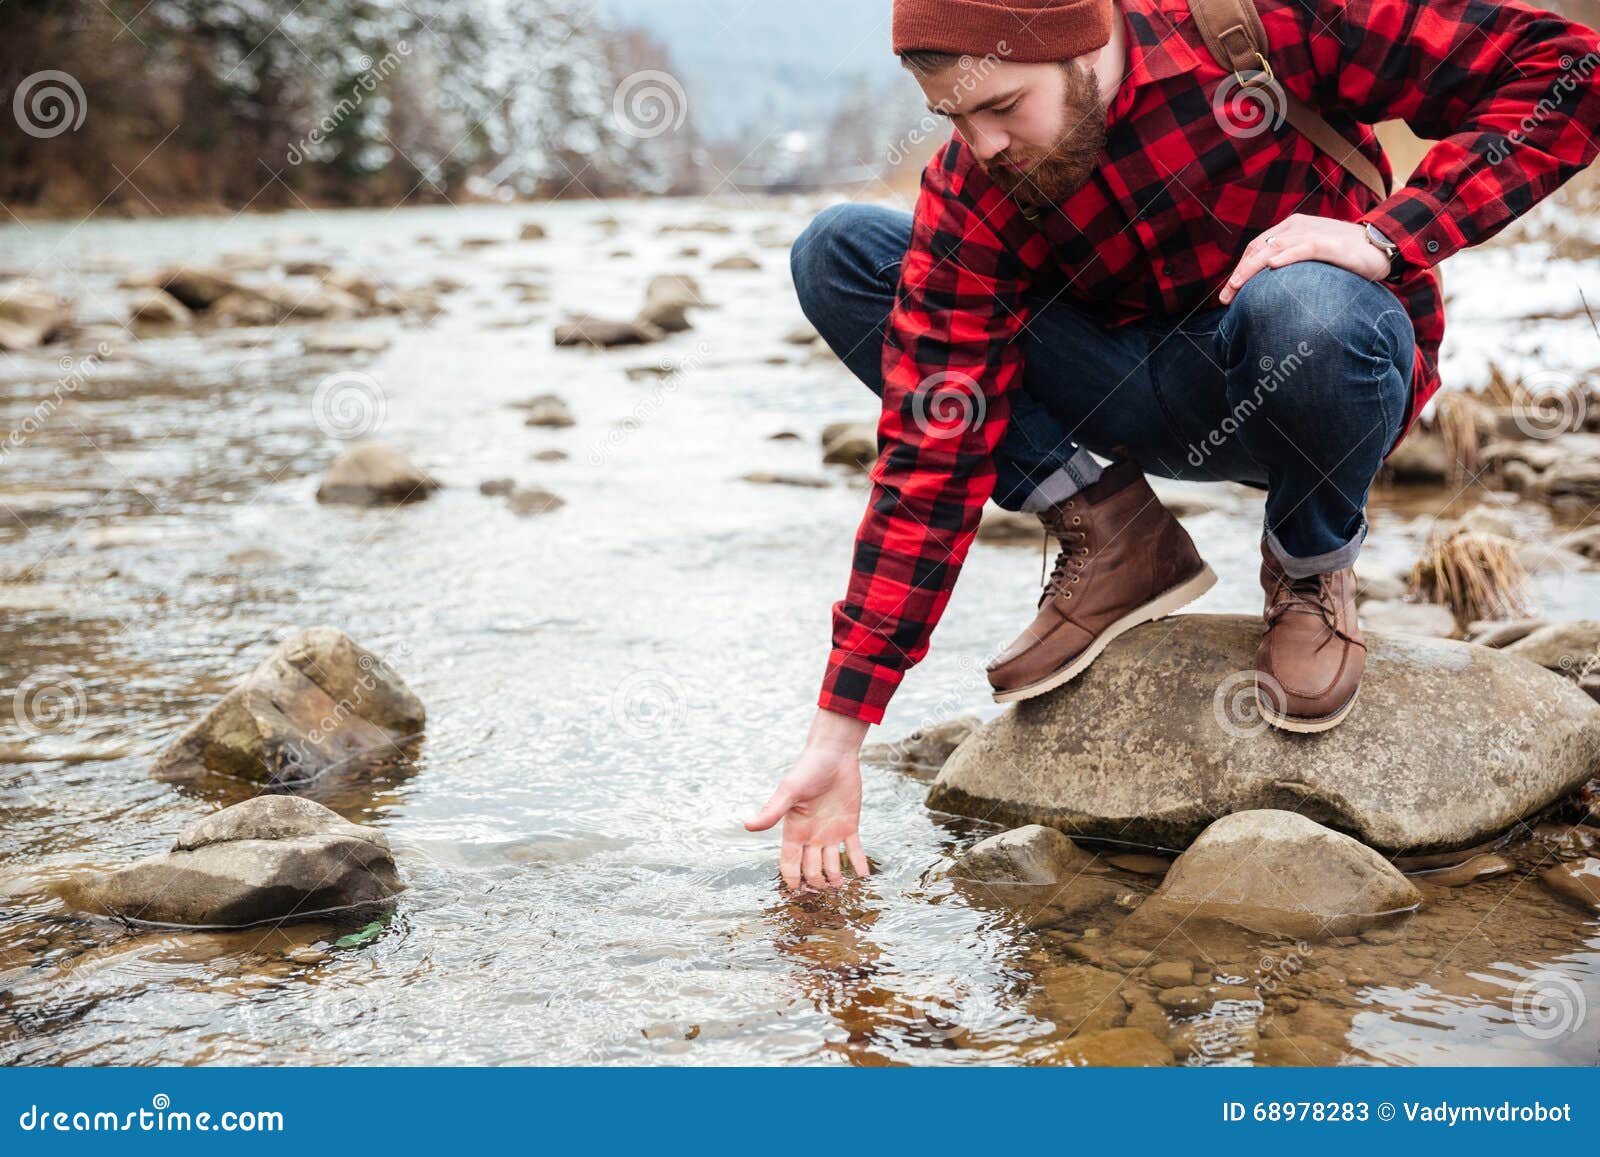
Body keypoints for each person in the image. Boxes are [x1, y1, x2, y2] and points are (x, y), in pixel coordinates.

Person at [747, 0, 1600, 891]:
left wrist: (1389, 234)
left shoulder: (1262, 23)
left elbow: (1565, 71)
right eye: (954, 118)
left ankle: (1310, 560)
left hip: (1312, 371)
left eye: (1001, 108)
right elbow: (929, 453)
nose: (982, 144)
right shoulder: (978, 184)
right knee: (844, 251)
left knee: (1305, 305)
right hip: (1124, 392)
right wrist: (840, 732)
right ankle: (1114, 533)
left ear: (1081, 44)